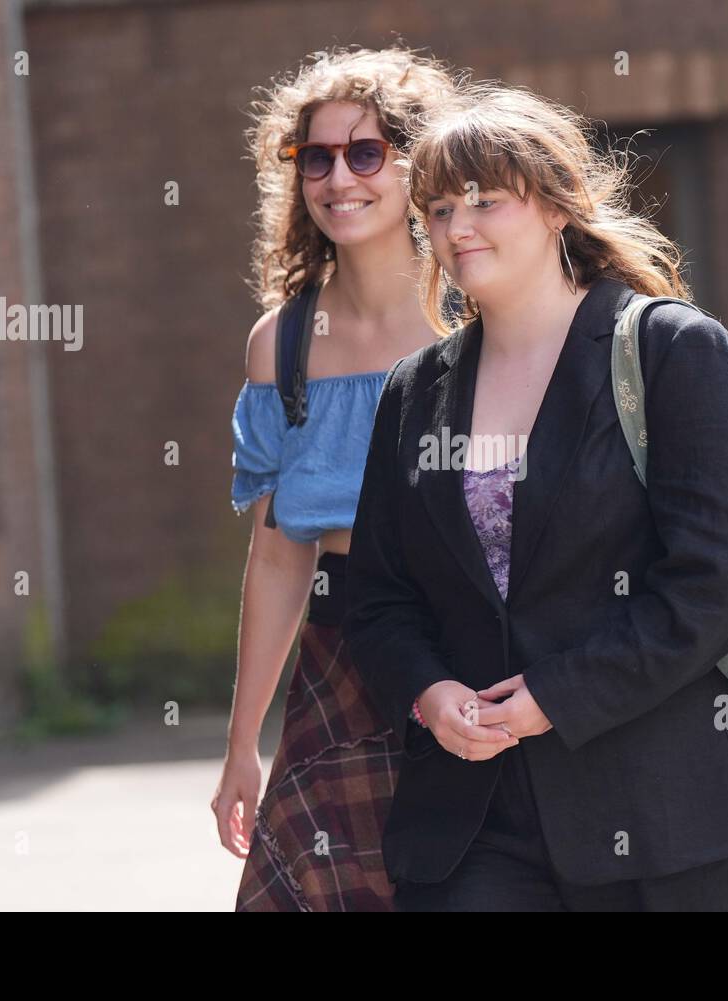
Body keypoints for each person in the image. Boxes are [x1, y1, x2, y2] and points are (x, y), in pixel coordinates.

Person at [342, 83, 728, 911]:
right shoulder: (414, 392)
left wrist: (558, 696)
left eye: (486, 200)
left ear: (558, 207)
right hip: (474, 823)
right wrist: (426, 691)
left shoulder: (671, 350)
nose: (457, 228)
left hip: (672, 816)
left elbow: (722, 575)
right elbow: (378, 594)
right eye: (440, 208)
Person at [213, 45, 457, 912]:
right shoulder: (279, 342)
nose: (339, 178)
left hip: (464, 640)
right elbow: (280, 557)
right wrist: (244, 742)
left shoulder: (477, 314)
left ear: (416, 163)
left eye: (366, 152)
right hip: (338, 653)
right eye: (317, 157)